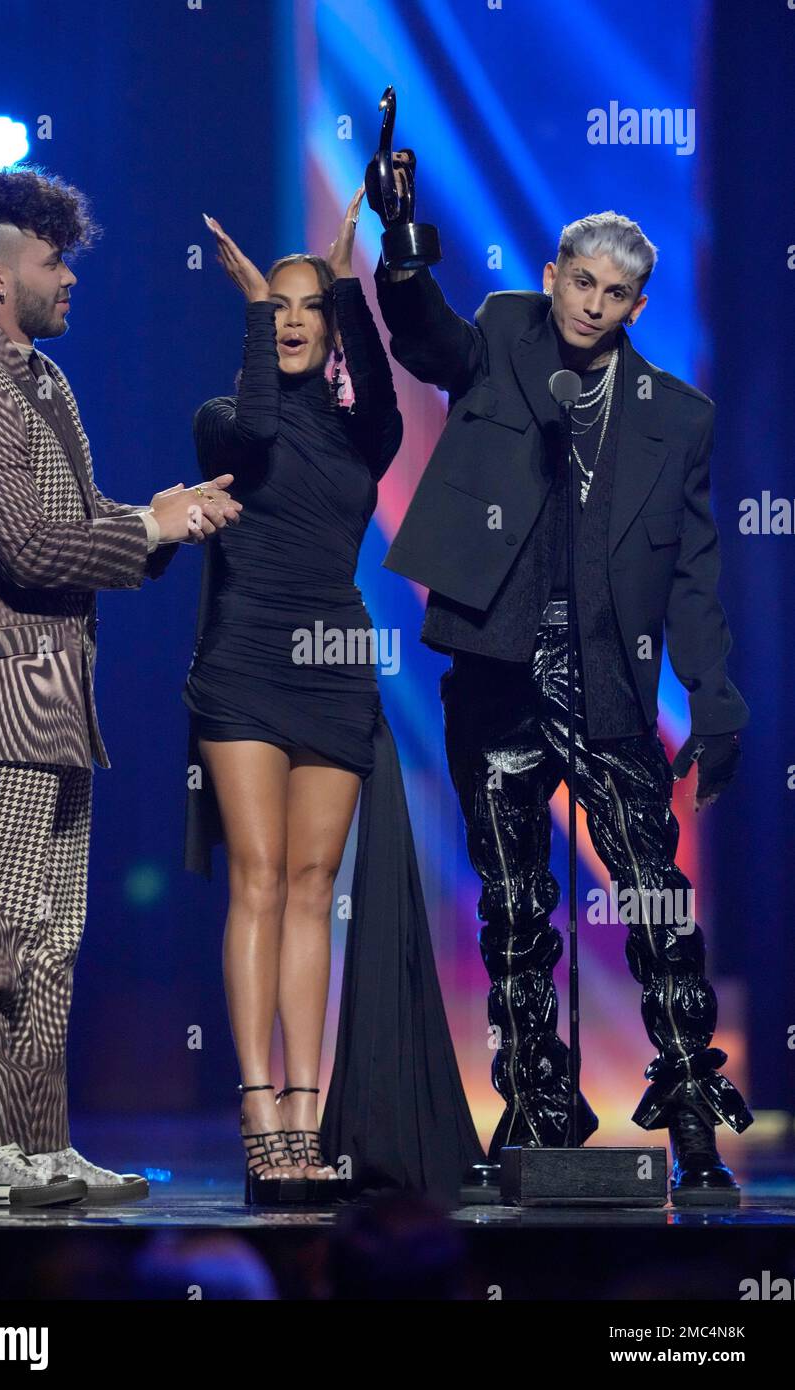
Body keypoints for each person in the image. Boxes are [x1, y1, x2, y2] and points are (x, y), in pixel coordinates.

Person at [373, 156, 752, 1207]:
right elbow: (426, 338)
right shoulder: (500, 337)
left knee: (654, 897)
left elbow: (691, 569)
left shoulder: (675, 416)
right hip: (497, 667)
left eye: (614, 292)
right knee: (511, 906)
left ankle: (687, 1120)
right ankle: (537, 1111)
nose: (592, 304)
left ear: (638, 304)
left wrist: (714, 701)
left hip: (606, 679)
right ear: (553, 276)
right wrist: (404, 248)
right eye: (579, 280)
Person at [0, 166, 240, 1208]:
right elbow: (33, 548)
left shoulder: (44, 380)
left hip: (59, 700)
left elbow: (85, 514)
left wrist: (157, 513)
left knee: (52, 934)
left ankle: (40, 1143)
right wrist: (150, 526)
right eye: (55, 264)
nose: (71, 281)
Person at [183, 188, 483, 1204]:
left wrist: (346, 279)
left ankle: (305, 1114)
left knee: (314, 888)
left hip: (334, 660)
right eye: (283, 307)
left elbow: (393, 404)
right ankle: (260, 1104)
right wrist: (261, 312)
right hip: (244, 662)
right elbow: (260, 429)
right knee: (259, 878)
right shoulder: (223, 418)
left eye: (311, 307)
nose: (297, 317)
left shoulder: (363, 438)